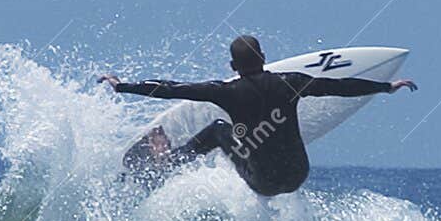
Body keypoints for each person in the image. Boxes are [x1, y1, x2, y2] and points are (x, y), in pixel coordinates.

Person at [99, 35, 416, 196]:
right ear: (264, 58)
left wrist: (123, 86)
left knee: (220, 130)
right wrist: (386, 87)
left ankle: (169, 163)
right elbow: (338, 86)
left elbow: (171, 89)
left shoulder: (225, 91)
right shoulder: (290, 82)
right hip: (297, 175)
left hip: (261, 181)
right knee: (259, 133)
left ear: (233, 68)